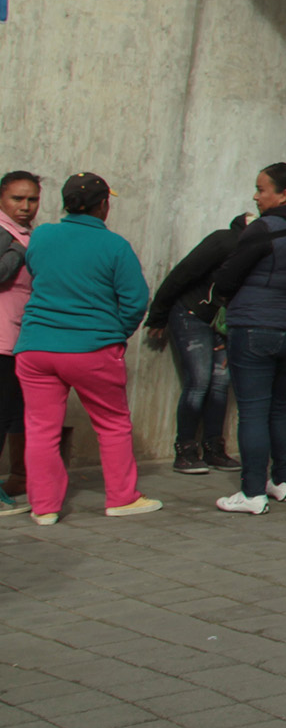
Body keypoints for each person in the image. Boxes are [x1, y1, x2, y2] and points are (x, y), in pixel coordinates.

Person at [14, 173, 161, 523]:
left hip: (35, 346)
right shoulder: (115, 245)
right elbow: (135, 300)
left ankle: (44, 507)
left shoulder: (42, 236)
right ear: (103, 205)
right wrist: (115, 334)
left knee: (40, 429)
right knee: (112, 423)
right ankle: (121, 498)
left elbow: (36, 272)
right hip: (92, 348)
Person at [211, 163, 286, 515]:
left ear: (284, 195)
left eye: (262, 189)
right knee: (279, 404)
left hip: (255, 327)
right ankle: (282, 481)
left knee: (252, 410)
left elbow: (226, 278)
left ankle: (252, 492)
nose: (256, 196)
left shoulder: (264, 229)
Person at [143, 212, 252, 475]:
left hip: (222, 323)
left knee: (220, 382)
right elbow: (182, 274)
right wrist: (158, 314)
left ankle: (214, 448)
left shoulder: (258, 251)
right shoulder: (225, 241)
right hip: (191, 314)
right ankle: (185, 450)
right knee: (199, 381)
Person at [0, 171, 39, 514]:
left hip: (14, 339)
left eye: (32, 199)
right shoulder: (6, 234)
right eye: (17, 199)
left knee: (12, 415)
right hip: (1, 339)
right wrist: (19, 249)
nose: (26, 206)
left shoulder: (23, 234)